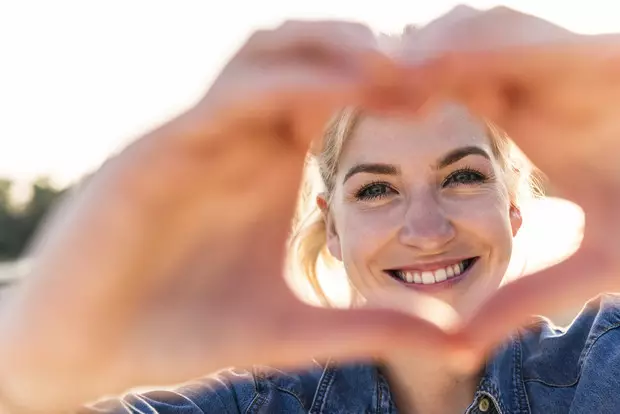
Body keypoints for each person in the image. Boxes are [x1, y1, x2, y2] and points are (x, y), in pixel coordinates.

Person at [1, 5, 619, 414]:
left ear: (513, 207)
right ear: (332, 229)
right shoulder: (252, 403)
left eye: (462, 177)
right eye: (376, 190)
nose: (427, 230)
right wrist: (29, 368)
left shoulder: (602, 367)